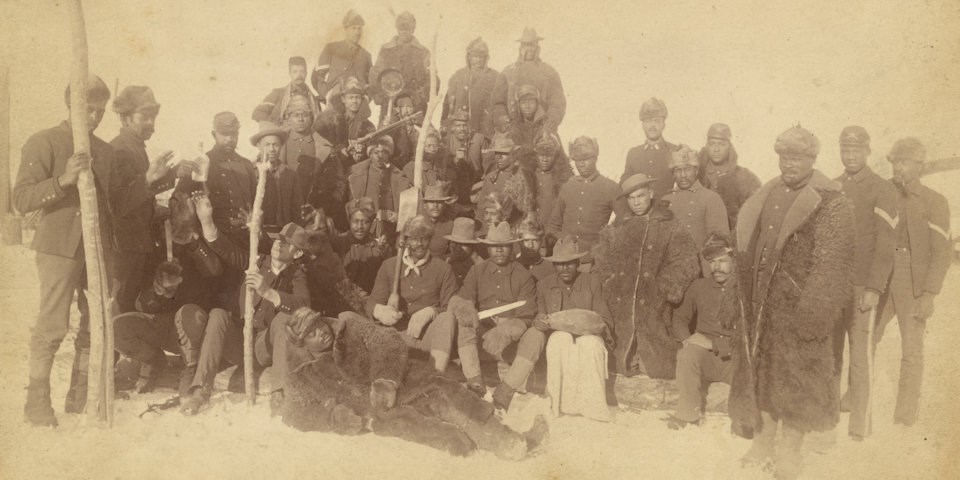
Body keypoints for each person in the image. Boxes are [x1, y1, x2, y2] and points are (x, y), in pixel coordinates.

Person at [728, 125, 854, 479]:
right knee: (763, 372)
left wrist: (814, 311)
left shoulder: (830, 200)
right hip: (761, 303)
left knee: (798, 379)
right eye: (784, 157)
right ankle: (764, 440)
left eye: (797, 157)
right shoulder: (767, 194)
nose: (789, 164)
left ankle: (790, 450)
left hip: (799, 307)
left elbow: (834, 261)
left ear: (812, 160)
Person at [281, 308, 548, 460]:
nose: (321, 333)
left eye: (319, 325)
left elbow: (387, 341)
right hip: (382, 416)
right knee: (443, 436)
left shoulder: (348, 325)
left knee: (453, 398)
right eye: (312, 334)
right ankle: (478, 445)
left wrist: (386, 379)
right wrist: (332, 417)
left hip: (407, 383)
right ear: (302, 344)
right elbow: (294, 413)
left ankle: (509, 441)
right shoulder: (302, 373)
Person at [14, 75, 118, 426]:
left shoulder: (105, 151)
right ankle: (37, 403)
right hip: (59, 247)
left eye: (100, 111)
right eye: (87, 110)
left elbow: (111, 207)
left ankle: (82, 394)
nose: (94, 118)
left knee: (97, 320)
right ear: (71, 107)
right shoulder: (44, 141)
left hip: (96, 251)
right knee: (53, 323)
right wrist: (62, 181)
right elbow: (21, 198)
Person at [180, 220, 311, 415]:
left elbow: (303, 305)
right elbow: (227, 250)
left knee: (284, 319)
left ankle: (279, 392)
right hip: (238, 341)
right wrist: (207, 221)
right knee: (218, 314)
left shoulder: (296, 275)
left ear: (297, 253)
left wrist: (269, 293)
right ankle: (200, 390)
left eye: (287, 242)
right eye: (278, 239)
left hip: (263, 347)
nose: (279, 244)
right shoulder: (255, 262)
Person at [112, 191, 224, 397]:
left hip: (195, 326)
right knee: (118, 328)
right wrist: (159, 291)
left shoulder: (203, 239)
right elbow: (141, 304)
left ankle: (191, 369)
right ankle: (153, 361)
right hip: (164, 326)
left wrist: (194, 244)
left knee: (187, 313)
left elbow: (214, 271)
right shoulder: (157, 247)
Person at [591, 173, 699, 379]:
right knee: (619, 352)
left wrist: (664, 288)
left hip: (654, 301)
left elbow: (685, 260)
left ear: (650, 193)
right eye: (631, 198)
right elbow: (602, 257)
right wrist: (610, 282)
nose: (636, 202)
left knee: (656, 356)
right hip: (621, 300)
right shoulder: (618, 228)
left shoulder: (669, 225)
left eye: (640, 196)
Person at [874, 137, 950, 427]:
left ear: (919, 166)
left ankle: (904, 415)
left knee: (911, 349)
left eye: (904, 162)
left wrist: (929, 293)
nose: (898, 168)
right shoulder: (883, 194)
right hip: (882, 275)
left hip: (913, 279)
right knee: (867, 337)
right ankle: (855, 400)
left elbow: (941, 252)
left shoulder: (935, 201)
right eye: (895, 162)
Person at [830, 126, 897, 441]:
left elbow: (886, 245)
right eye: (845, 149)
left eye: (856, 149)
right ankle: (828, 416)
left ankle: (860, 427)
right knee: (831, 354)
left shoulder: (881, 189)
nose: (850, 155)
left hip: (862, 288)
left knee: (860, 356)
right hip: (835, 287)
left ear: (868, 151)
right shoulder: (834, 186)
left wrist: (874, 288)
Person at [110, 85, 191, 314]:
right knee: (120, 307)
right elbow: (120, 203)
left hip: (137, 244)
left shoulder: (135, 148)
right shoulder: (118, 150)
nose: (151, 124)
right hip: (123, 247)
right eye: (144, 117)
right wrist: (155, 179)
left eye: (153, 118)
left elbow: (142, 197)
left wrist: (173, 177)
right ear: (126, 118)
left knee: (130, 306)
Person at [447, 221, 543, 410]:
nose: (499, 251)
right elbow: (463, 298)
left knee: (537, 335)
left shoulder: (523, 275)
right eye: (494, 247)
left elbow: (527, 314)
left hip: (511, 339)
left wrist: (508, 329)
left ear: (512, 247)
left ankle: (505, 391)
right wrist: (466, 308)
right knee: (465, 322)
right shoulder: (477, 271)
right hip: (484, 332)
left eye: (504, 246)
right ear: (487, 248)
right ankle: (475, 382)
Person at [365, 216, 459, 372]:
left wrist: (431, 312)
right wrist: (380, 311)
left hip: (426, 339)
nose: (420, 244)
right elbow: (372, 302)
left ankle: (435, 376)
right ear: (406, 240)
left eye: (425, 239)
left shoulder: (442, 269)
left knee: (447, 318)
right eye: (415, 239)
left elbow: (451, 307)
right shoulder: (389, 266)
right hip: (395, 337)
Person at [535, 236, 613, 422]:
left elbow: (605, 319)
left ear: (577, 263)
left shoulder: (592, 282)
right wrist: (538, 322)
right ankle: (557, 405)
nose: (565, 269)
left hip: (589, 334)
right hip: (560, 336)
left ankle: (594, 409)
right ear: (554, 265)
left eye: (570, 263)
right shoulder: (544, 285)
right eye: (560, 264)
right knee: (559, 340)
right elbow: (540, 316)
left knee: (590, 345)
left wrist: (591, 327)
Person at [664, 234, 739, 429]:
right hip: (706, 359)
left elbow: (752, 334)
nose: (717, 267)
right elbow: (680, 318)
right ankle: (688, 415)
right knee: (687, 354)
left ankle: (743, 418)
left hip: (735, 359)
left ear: (734, 261)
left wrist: (714, 344)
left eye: (722, 261)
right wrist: (687, 339)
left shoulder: (744, 289)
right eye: (712, 262)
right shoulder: (699, 286)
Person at [281, 94, 348, 231]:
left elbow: (338, 185)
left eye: (305, 115)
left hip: (313, 217)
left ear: (311, 118)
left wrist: (323, 210)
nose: (300, 119)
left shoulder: (325, 148)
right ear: (288, 118)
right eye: (295, 115)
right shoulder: (277, 144)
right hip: (282, 214)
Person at [546, 136, 619, 251]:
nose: (581, 164)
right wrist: (555, 242)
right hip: (564, 254)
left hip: (592, 255)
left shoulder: (610, 187)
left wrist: (606, 242)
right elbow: (554, 223)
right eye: (578, 160)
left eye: (586, 159)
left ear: (595, 158)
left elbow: (624, 219)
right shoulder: (567, 187)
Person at [490, 27, 565, 135]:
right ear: (520, 47)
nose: (529, 49)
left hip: (542, 129)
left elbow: (558, 103)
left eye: (532, 45)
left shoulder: (549, 73)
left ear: (537, 48)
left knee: (550, 149)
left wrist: (549, 124)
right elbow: (497, 103)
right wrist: (505, 124)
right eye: (526, 45)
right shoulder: (507, 73)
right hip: (512, 129)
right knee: (499, 150)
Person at [347, 135, 413, 244]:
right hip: (363, 229)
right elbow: (348, 204)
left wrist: (398, 215)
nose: (380, 156)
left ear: (390, 154)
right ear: (370, 154)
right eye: (376, 152)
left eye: (384, 152)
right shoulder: (356, 173)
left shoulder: (398, 176)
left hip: (389, 231)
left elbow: (408, 207)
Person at [368, 11, 432, 124]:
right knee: (387, 137)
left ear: (413, 29)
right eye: (401, 28)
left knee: (417, 137)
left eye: (408, 28)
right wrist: (382, 95)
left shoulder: (423, 52)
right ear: (397, 29)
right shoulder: (386, 50)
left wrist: (420, 96)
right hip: (391, 103)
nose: (404, 31)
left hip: (415, 105)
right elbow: (375, 74)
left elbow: (431, 78)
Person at [661, 144, 729, 248]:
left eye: (687, 169)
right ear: (673, 174)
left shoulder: (711, 198)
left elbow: (719, 241)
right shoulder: (666, 200)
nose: (683, 175)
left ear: (696, 171)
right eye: (678, 170)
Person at [697, 123, 761, 229]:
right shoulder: (697, 175)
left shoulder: (744, 177)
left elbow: (753, 213)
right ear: (706, 146)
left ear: (729, 146)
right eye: (712, 144)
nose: (716, 149)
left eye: (722, 144)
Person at [315, 76, 376, 171]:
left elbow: (372, 151)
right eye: (350, 97)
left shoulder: (368, 126)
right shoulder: (331, 121)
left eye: (357, 98)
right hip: (333, 168)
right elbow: (320, 144)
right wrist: (338, 150)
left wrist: (363, 148)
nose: (354, 101)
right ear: (343, 99)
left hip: (358, 170)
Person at [311, 10, 373, 104]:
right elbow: (317, 76)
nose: (357, 32)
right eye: (353, 28)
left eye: (359, 29)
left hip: (358, 102)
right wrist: (327, 94)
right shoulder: (331, 49)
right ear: (346, 29)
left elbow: (371, 83)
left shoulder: (366, 55)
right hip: (336, 100)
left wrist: (366, 98)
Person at [620, 97, 676, 200]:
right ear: (643, 125)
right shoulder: (634, 154)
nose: (652, 126)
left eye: (657, 121)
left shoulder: (674, 151)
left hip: (667, 211)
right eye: (648, 121)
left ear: (664, 125)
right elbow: (624, 184)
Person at [331, 197, 391, 293]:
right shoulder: (338, 242)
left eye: (365, 222)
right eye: (355, 221)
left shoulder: (377, 246)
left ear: (371, 223)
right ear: (349, 221)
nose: (360, 227)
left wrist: (383, 251)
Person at [252, 122, 302, 232]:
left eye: (275, 144)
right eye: (267, 144)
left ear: (281, 147)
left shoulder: (290, 175)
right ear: (259, 146)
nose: (272, 149)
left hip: (282, 232)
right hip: (256, 232)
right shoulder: (250, 172)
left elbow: (296, 210)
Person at [443, 37, 498, 136]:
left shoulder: (495, 77)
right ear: (469, 57)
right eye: (475, 56)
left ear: (486, 58)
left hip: (484, 127)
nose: (478, 60)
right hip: (460, 129)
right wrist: (444, 124)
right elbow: (447, 104)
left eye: (481, 56)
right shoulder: (458, 76)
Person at [252, 56, 320, 124]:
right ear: (290, 73)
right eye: (295, 72)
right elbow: (257, 113)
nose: (299, 75)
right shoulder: (278, 93)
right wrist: (277, 125)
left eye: (302, 71)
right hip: (282, 133)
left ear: (306, 73)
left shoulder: (313, 99)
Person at [531, 133, 572, 230]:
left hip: (552, 232)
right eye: (541, 155)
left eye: (549, 155)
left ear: (555, 156)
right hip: (530, 234)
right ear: (536, 155)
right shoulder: (528, 176)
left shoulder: (563, 181)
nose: (545, 159)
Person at [420, 182, 457, 259]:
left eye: (439, 202)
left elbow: (453, 253)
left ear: (444, 205)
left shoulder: (450, 225)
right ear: (424, 205)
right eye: (431, 202)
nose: (435, 206)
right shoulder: (416, 223)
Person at [445, 217, 484, 283]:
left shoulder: (481, 267)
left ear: (472, 245)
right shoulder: (449, 261)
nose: (458, 248)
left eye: (463, 244)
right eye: (455, 243)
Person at [515, 216, 554, 282]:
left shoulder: (550, 267)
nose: (530, 245)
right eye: (526, 240)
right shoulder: (513, 266)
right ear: (519, 242)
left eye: (535, 240)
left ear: (541, 241)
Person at [509, 84, 547, 150]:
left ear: (537, 104)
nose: (527, 106)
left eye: (532, 102)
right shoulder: (511, 126)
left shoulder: (545, 125)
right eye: (523, 103)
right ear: (518, 105)